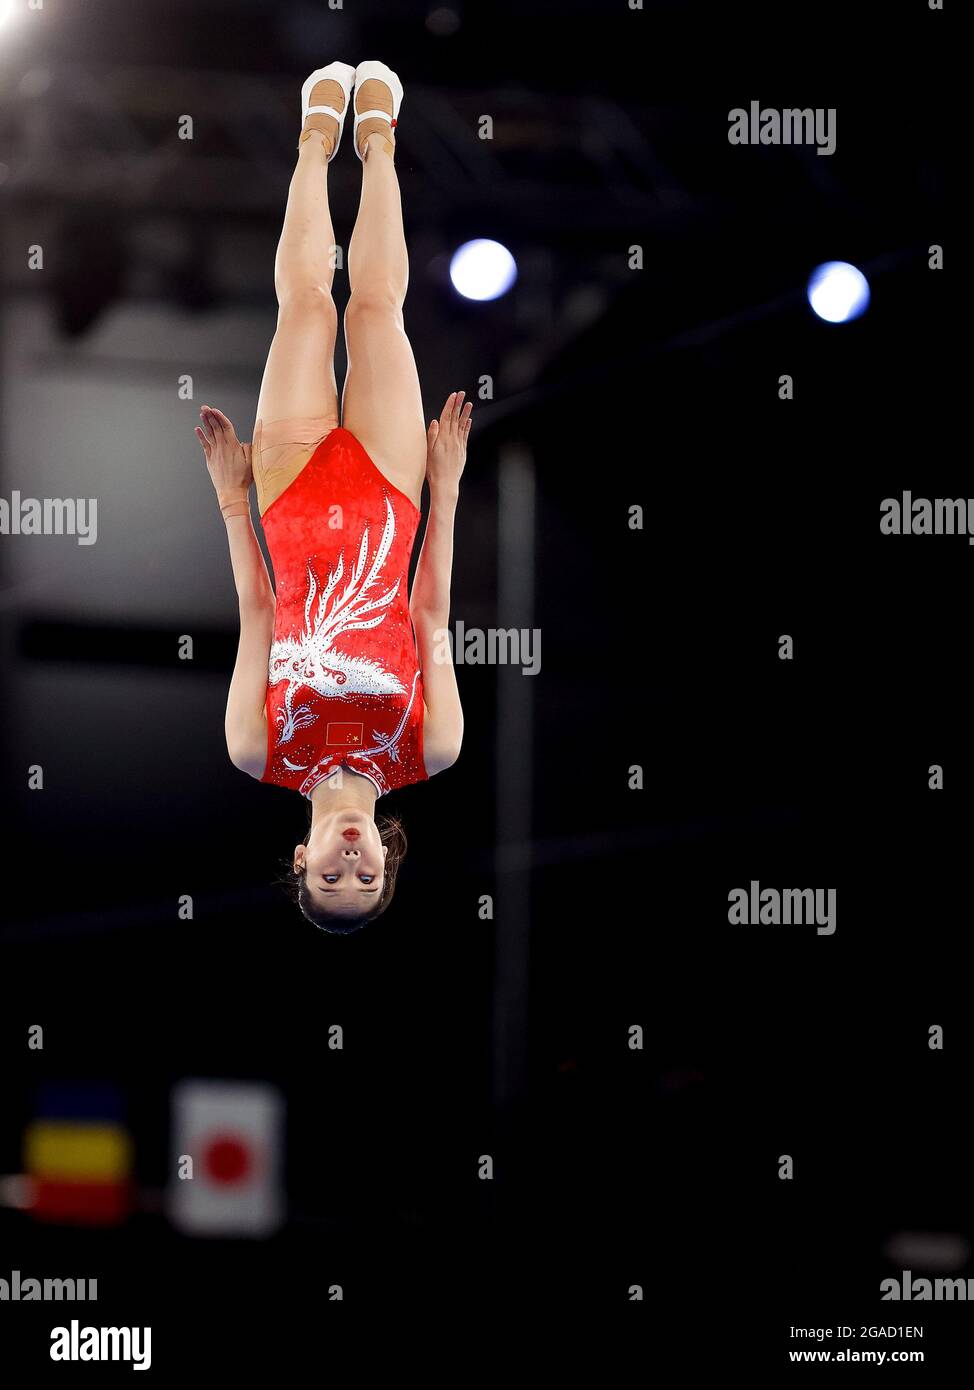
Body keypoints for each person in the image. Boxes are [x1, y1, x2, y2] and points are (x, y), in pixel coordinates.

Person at [195, 61, 470, 933]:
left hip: (290, 497)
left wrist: (234, 502)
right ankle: (380, 141)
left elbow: (258, 612)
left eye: (329, 877)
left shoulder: (255, 750)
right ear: (388, 855)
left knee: (309, 309)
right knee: (376, 312)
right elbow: (431, 616)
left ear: (299, 861)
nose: (349, 862)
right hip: (392, 498)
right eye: (366, 876)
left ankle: (315, 139)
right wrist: (449, 490)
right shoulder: (432, 749)